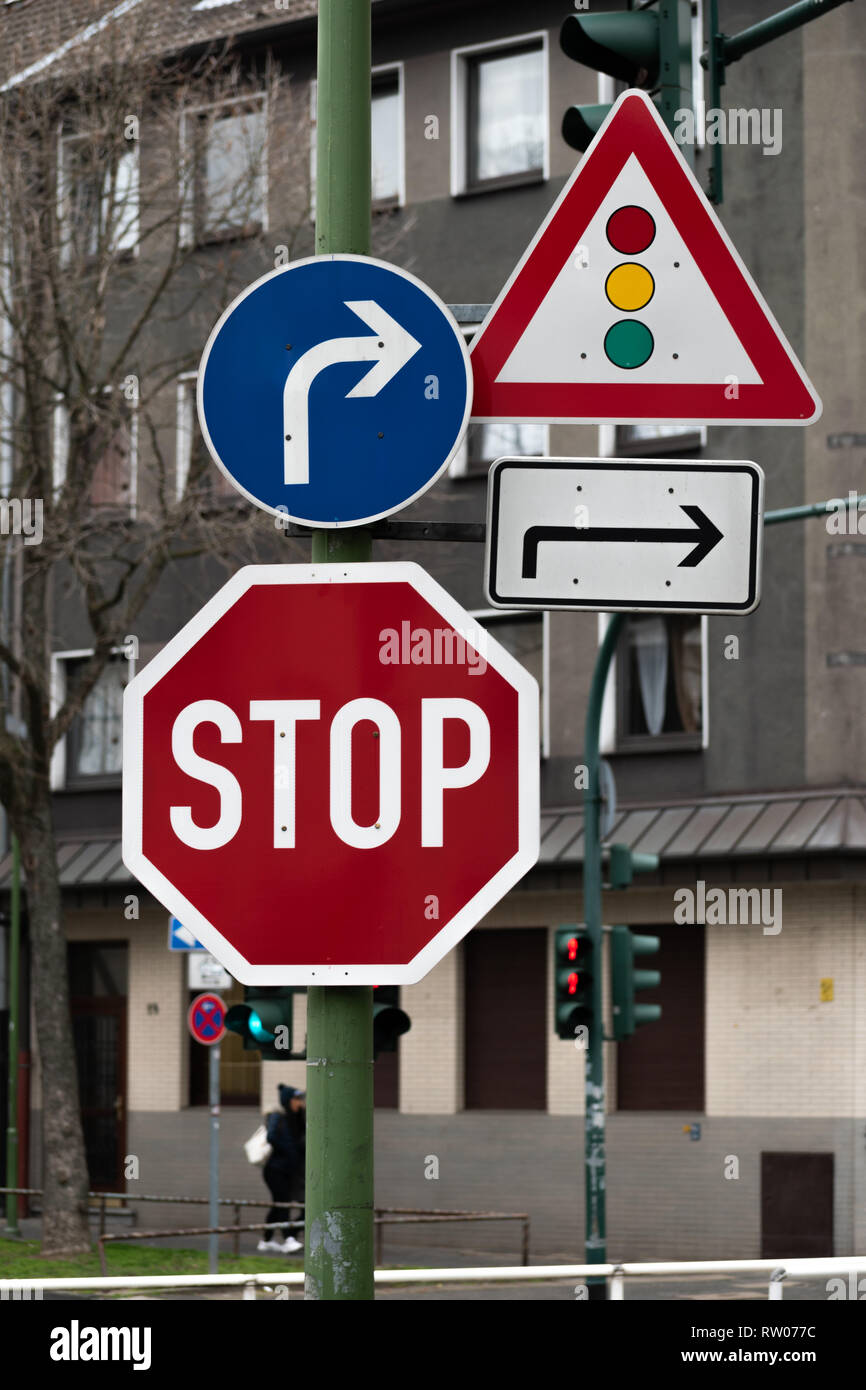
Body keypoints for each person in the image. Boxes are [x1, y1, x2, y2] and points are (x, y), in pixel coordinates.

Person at [258, 1085, 306, 1254]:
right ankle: (288, 1239)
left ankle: (266, 1240)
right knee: (283, 1203)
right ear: (288, 1101)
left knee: (278, 1205)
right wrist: (290, 1149)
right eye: (296, 1099)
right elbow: (271, 1137)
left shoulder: (298, 1117)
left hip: (289, 1170)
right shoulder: (278, 1116)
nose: (300, 1103)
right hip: (275, 1169)